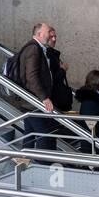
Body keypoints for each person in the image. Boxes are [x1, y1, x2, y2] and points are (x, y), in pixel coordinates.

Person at [16, 23, 60, 152]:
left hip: (31, 101)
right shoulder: (34, 49)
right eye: (48, 32)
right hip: (34, 101)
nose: (50, 34)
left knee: (30, 134)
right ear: (40, 34)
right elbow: (32, 76)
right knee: (45, 136)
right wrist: (44, 98)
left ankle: (25, 160)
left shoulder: (37, 48)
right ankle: (43, 166)